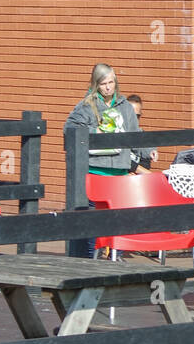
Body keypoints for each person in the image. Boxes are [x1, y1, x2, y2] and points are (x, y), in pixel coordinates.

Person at [64, 64, 156, 257]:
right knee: (94, 224)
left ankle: (116, 259)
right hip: (96, 172)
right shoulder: (86, 106)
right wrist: (94, 133)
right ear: (96, 84)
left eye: (111, 82)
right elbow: (69, 130)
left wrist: (148, 151)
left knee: (119, 221)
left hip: (119, 173)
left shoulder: (125, 107)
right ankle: (91, 262)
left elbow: (135, 134)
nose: (108, 87)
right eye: (103, 83)